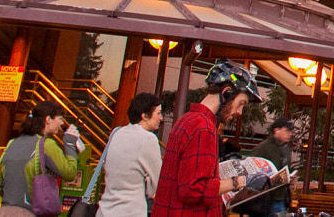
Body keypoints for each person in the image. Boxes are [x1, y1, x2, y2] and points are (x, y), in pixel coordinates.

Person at [153, 60, 264, 217]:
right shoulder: (203, 128)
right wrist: (242, 181)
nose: (239, 112)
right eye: (241, 103)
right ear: (227, 93)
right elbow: (193, 189)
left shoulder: (187, 120)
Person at [0, 101, 79, 215]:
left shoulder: (12, 143)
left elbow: (1, 184)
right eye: (59, 119)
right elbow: (69, 173)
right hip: (31, 212)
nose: (61, 123)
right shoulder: (46, 145)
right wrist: (70, 144)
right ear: (48, 119)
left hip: (7, 211)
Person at [99, 93, 165, 215]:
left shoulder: (116, 133)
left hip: (105, 210)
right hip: (130, 210)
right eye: (158, 113)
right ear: (144, 115)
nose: (161, 118)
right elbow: (157, 184)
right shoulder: (148, 139)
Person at [248, 117, 296, 215]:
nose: (289, 134)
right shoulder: (263, 147)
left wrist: (290, 177)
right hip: (263, 198)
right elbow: (251, 167)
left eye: (291, 131)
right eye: (287, 130)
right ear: (276, 130)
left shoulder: (286, 149)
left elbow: (286, 168)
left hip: (280, 196)